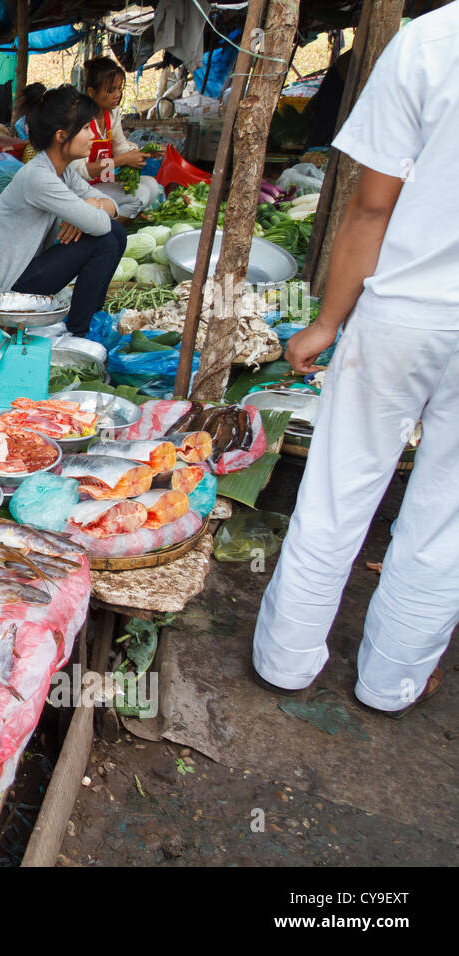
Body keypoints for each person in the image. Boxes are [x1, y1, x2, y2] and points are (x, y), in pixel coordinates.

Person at [252, 4, 459, 717]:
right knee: (445, 521)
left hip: (402, 310)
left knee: (340, 493)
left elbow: (371, 209)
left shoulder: (430, 42)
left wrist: (327, 323)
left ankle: (285, 660)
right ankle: (392, 683)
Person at [0, 85, 126, 337]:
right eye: (86, 128)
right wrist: (88, 213)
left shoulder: (63, 170)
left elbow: (112, 207)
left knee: (116, 233)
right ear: (61, 135)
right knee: (106, 239)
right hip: (6, 289)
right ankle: (79, 332)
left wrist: (88, 207)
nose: (93, 135)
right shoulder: (38, 177)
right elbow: (100, 224)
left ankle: (90, 318)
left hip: (29, 272)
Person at [72, 56, 161, 219]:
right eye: (111, 90)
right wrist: (123, 160)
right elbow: (81, 171)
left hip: (102, 183)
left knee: (152, 185)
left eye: (119, 89)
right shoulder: (80, 119)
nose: (117, 95)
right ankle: (109, 229)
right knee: (140, 194)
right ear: (92, 92)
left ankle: (110, 220)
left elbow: (121, 148)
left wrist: (145, 152)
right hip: (80, 189)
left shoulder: (111, 115)